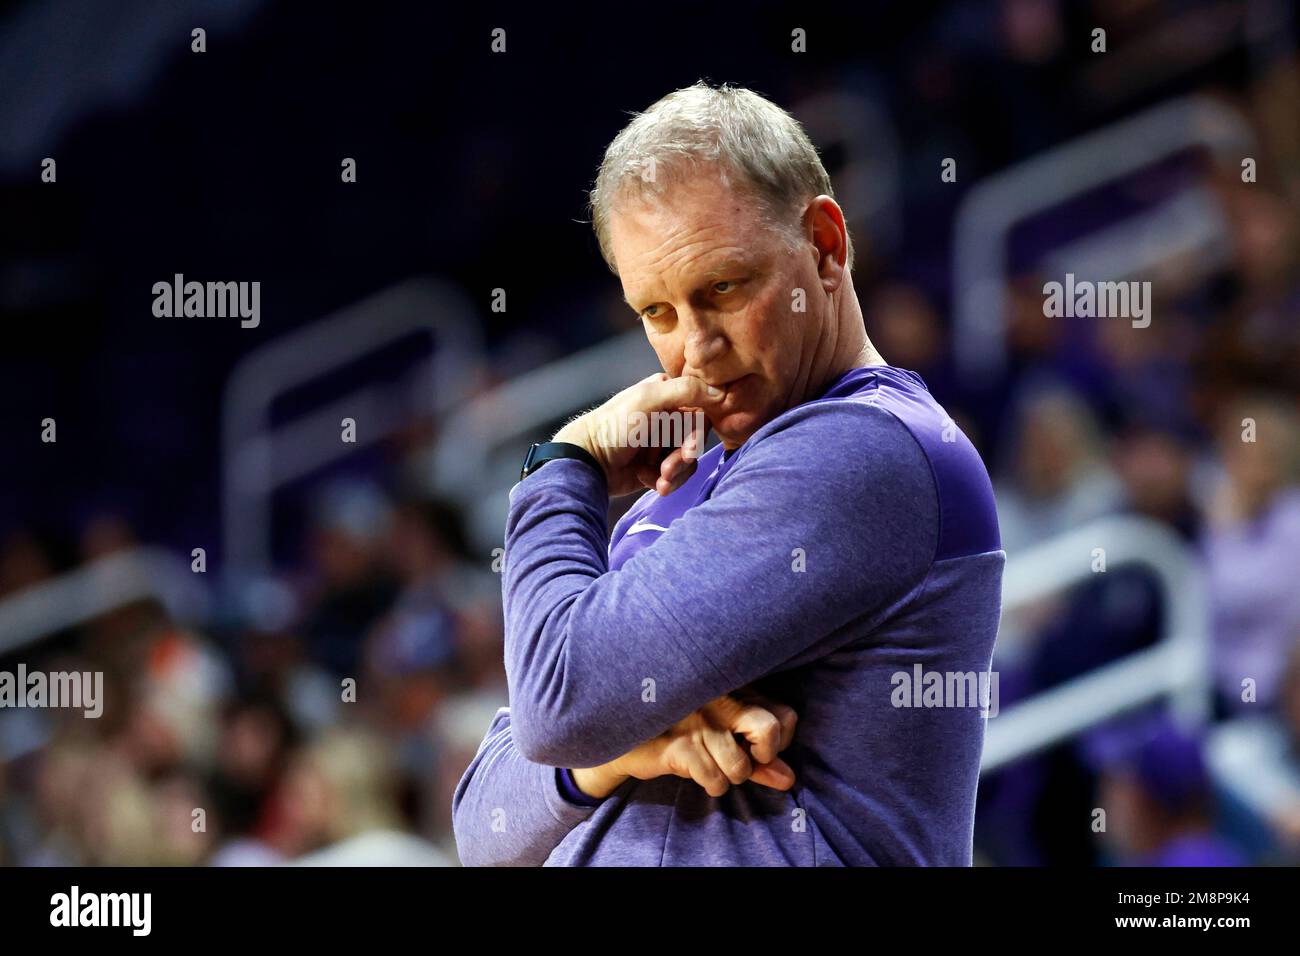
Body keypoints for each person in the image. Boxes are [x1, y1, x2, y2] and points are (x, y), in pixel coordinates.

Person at [453, 81, 1004, 866]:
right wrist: (616, 754)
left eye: (722, 289)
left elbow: (554, 701)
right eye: (658, 313)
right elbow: (482, 828)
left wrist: (564, 460)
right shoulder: (697, 482)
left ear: (824, 244)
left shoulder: (867, 452)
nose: (696, 350)